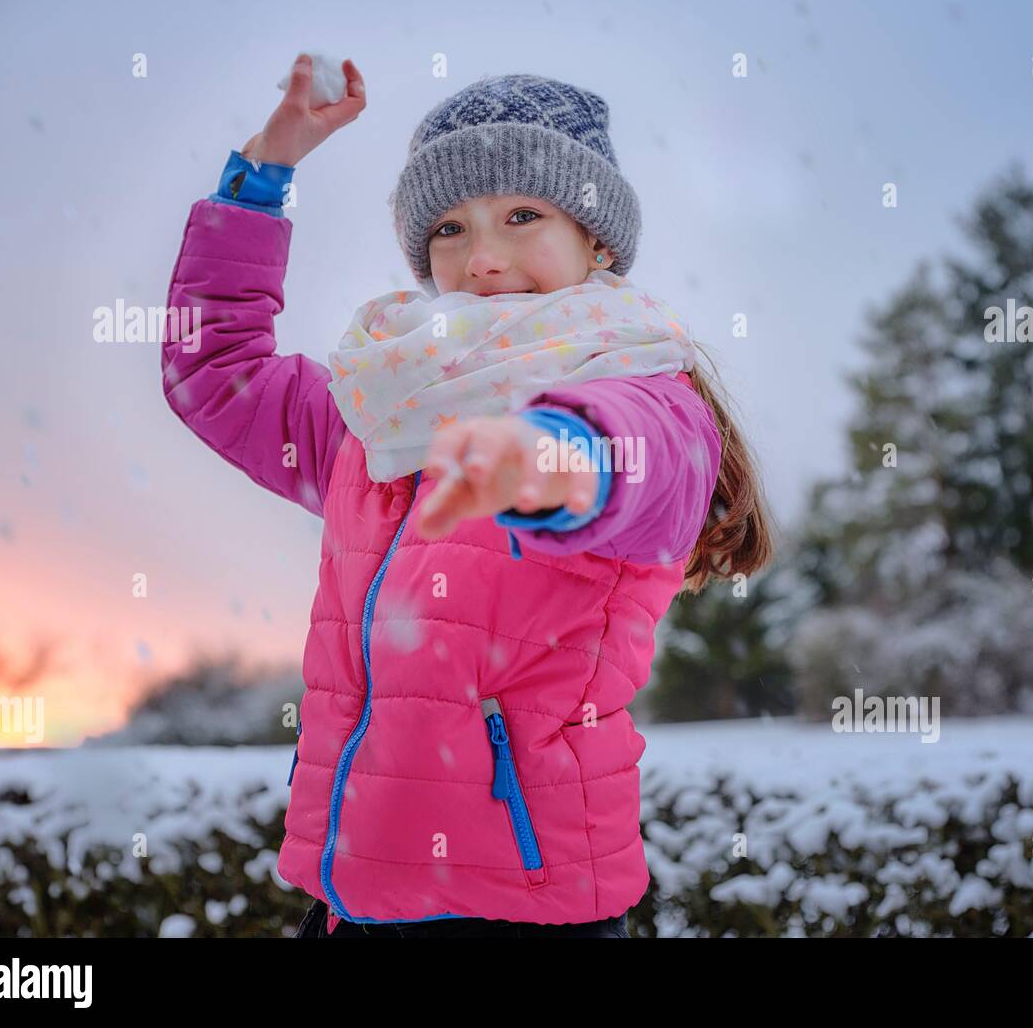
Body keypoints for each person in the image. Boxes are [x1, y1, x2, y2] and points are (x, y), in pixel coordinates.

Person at [162, 57, 773, 938]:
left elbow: (632, 455)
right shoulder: (382, 417)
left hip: (518, 907)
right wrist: (262, 174)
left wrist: (539, 458)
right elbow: (212, 372)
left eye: (523, 216)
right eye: (449, 228)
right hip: (351, 898)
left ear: (595, 238)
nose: (483, 259)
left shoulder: (643, 387)